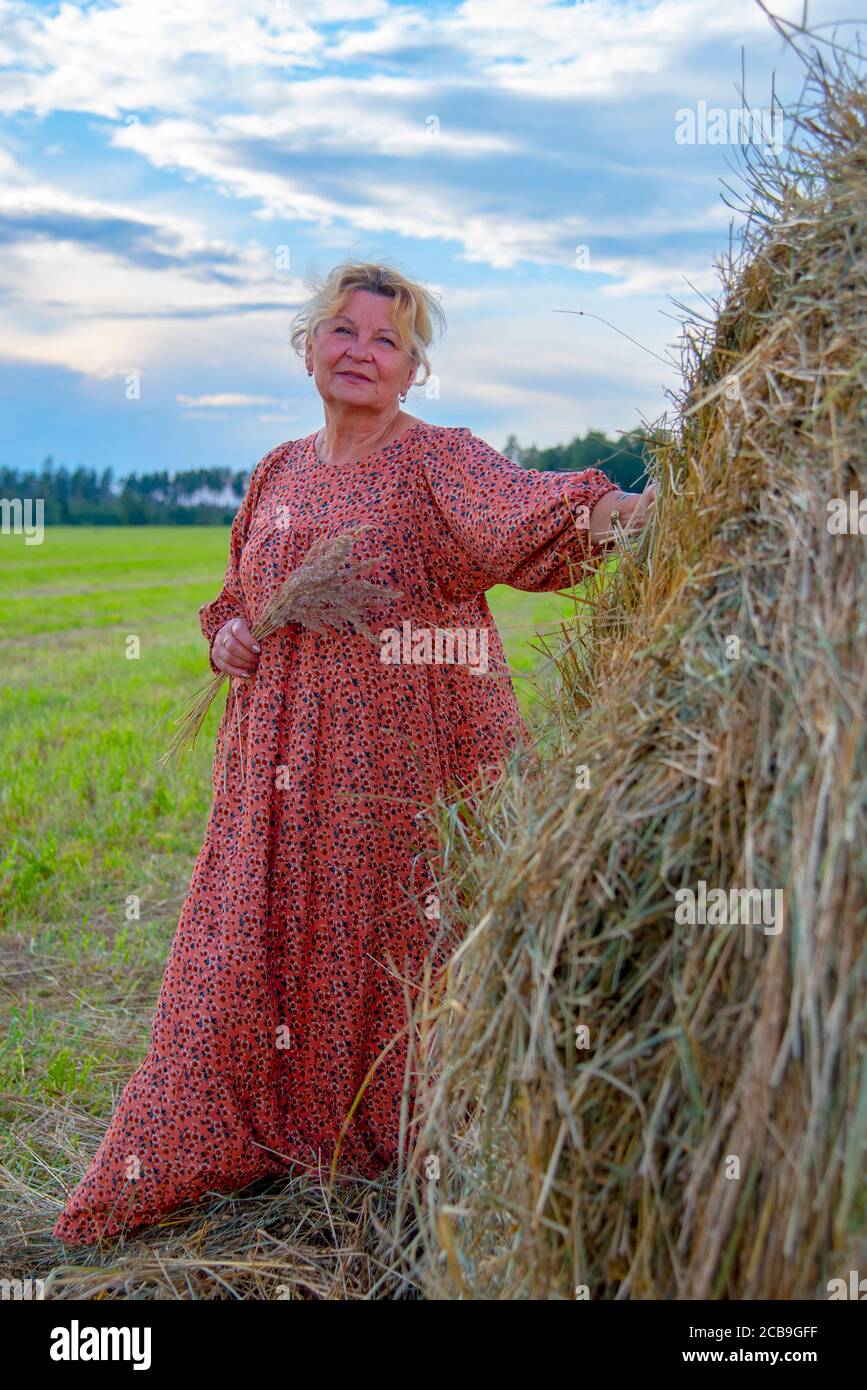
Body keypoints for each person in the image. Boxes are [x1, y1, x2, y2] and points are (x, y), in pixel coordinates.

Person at [53, 260, 655, 1245]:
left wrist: (634, 516)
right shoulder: (278, 471)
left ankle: (404, 1164)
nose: (361, 352)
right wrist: (226, 636)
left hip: (405, 772)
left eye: (387, 339)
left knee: (399, 957)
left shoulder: (439, 461)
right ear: (307, 346)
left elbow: (525, 515)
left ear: (414, 369)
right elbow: (235, 598)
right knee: (239, 964)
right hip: (275, 774)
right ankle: (243, 1144)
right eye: (343, 330)